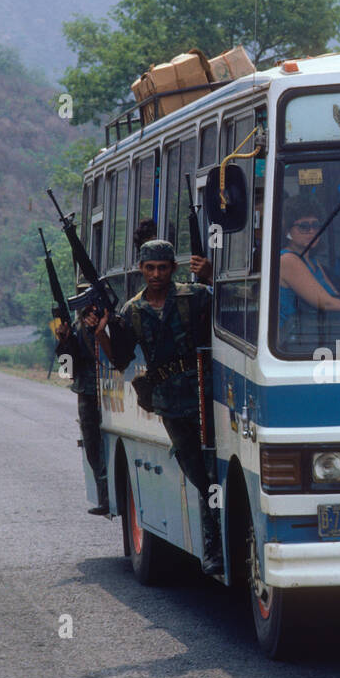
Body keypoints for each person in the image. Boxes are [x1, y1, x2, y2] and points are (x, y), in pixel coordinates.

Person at [101, 240, 222, 575]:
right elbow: (122, 360)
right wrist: (101, 335)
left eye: (163, 268)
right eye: (150, 268)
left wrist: (212, 279)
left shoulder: (194, 295)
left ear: (173, 268)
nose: (156, 274)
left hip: (204, 393)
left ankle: (215, 547)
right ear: (141, 269)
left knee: (212, 470)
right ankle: (213, 542)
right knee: (195, 469)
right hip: (169, 402)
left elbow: (236, 309)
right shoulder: (132, 311)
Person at [278, 195, 340, 330]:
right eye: (304, 226)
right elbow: (326, 303)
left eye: (316, 225)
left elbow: (335, 296)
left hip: (317, 332)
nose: (311, 231)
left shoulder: (312, 261)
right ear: (287, 230)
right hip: (292, 340)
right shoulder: (288, 260)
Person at [54, 303, 109, 515]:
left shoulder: (110, 322)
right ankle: (104, 497)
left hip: (112, 387)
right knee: (92, 445)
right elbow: (67, 370)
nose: (91, 315)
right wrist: (64, 340)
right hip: (88, 392)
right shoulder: (75, 330)